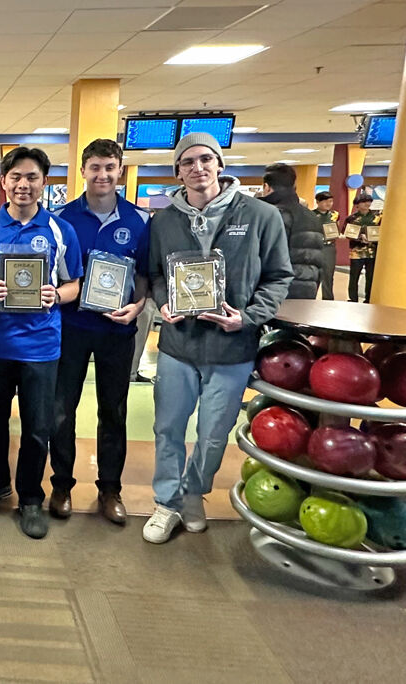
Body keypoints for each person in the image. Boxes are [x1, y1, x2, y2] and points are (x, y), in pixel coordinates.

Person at [143, 132, 293, 544]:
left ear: (220, 165)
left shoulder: (261, 216)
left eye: (206, 159)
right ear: (178, 171)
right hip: (178, 343)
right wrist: (162, 304)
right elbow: (157, 274)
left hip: (231, 346)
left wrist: (247, 317)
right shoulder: (164, 220)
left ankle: (194, 493)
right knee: (168, 427)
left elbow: (279, 277)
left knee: (212, 434)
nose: (198, 168)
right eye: (188, 162)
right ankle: (166, 502)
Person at [0, 146, 83, 540]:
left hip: (41, 347)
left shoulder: (60, 230)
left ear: (44, 182)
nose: (23, 185)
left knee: (37, 428)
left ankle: (31, 497)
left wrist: (55, 295)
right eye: (16, 177)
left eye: (32, 177)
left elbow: (74, 283)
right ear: (3, 182)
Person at [50, 138, 150, 525]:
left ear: (120, 171)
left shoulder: (140, 220)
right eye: (95, 167)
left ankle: (110, 489)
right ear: (83, 171)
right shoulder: (62, 219)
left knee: (114, 412)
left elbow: (144, 274)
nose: (103, 174)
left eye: (110, 167)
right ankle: (61, 485)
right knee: (61, 411)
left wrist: (138, 305)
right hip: (70, 327)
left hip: (117, 330)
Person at [259, 163, 324, 299]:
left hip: (276, 291)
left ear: (266, 187)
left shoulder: (271, 215)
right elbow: (318, 260)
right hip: (307, 289)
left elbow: (265, 257)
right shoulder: (312, 216)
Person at [345, 194, 381, 303]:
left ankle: (368, 299)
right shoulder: (351, 218)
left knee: (371, 277)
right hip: (356, 252)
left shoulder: (377, 217)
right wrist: (359, 237)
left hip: (373, 252)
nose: (367, 204)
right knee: (354, 276)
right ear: (357, 204)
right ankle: (353, 298)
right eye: (364, 202)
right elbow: (347, 233)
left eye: (369, 201)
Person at [313, 191, 339, 300]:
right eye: (325, 201)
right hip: (315, 247)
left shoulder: (335, 215)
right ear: (318, 202)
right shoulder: (311, 214)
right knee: (315, 274)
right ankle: (310, 298)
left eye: (331, 201)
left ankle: (328, 299)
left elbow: (337, 228)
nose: (329, 204)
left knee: (328, 274)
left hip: (329, 247)